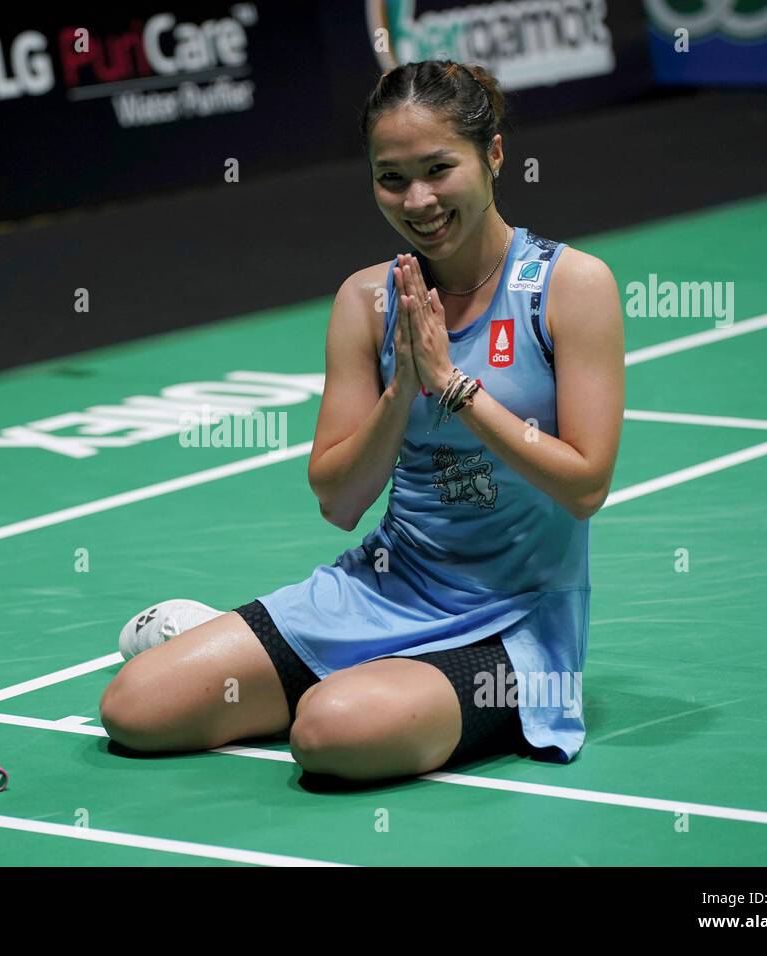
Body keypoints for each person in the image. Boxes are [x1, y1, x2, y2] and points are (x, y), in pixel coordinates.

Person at [100, 60, 624, 783]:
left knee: (329, 732)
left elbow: (586, 487)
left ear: (494, 155)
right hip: (382, 588)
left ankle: (345, 685)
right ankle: (316, 666)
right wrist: (402, 387)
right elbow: (340, 502)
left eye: (440, 168)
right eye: (391, 177)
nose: (419, 200)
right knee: (136, 709)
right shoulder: (365, 301)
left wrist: (452, 387)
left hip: (514, 621)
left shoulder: (570, 288)